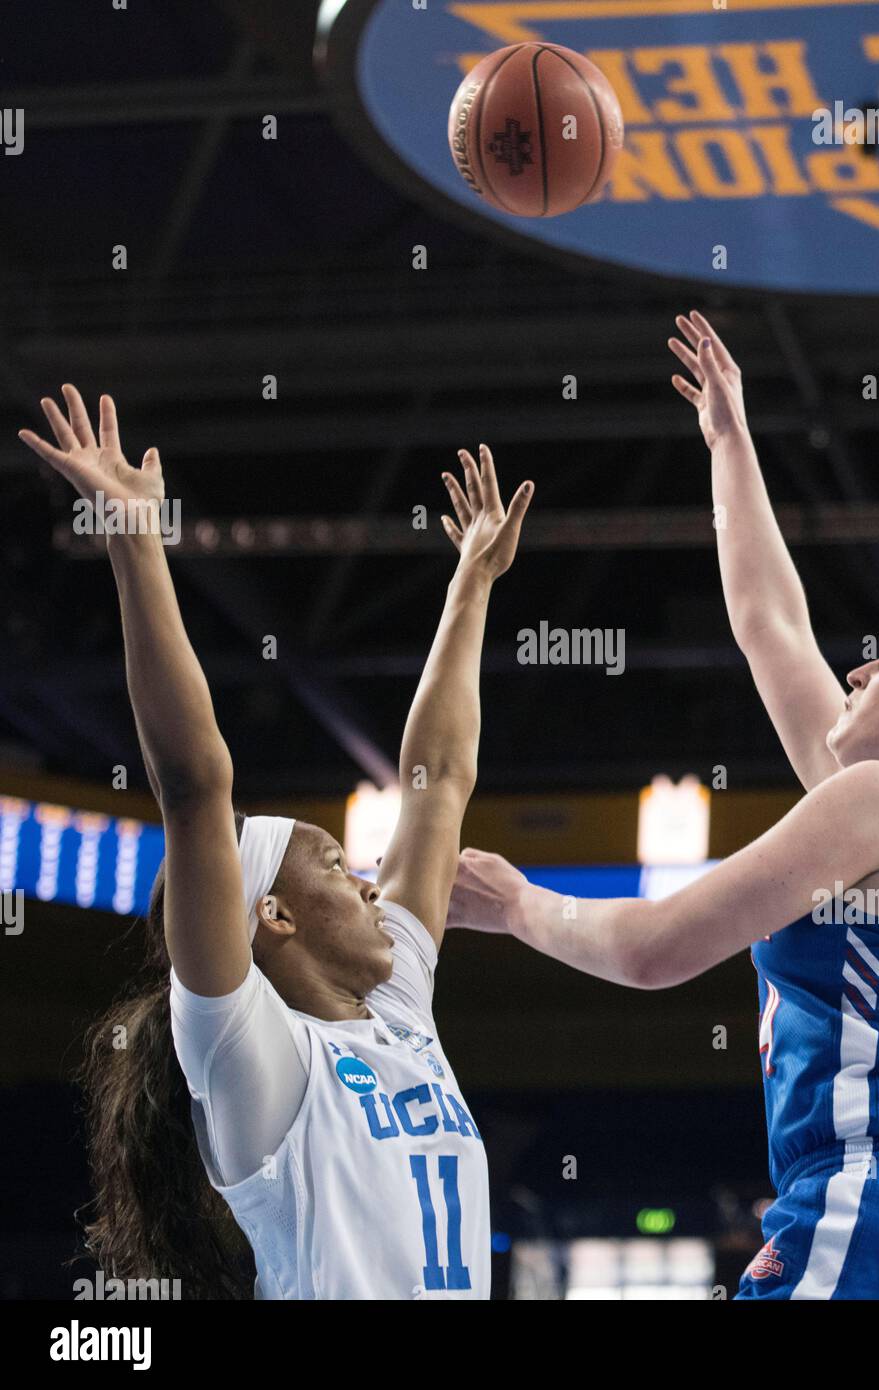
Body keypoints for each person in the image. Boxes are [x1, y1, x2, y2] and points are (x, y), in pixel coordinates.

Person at [445, 313, 879, 1299]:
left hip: (867, 1211)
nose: (856, 667)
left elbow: (653, 949)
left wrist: (514, 905)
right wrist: (729, 440)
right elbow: (769, 625)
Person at [20, 389, 531, 1298]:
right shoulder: (255, 1058)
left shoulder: (397, 1010)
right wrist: (136, 537)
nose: (375, 886)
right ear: (273, 915)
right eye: (338, 864)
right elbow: (191, 783)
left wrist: (470, 588)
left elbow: (439, 780)